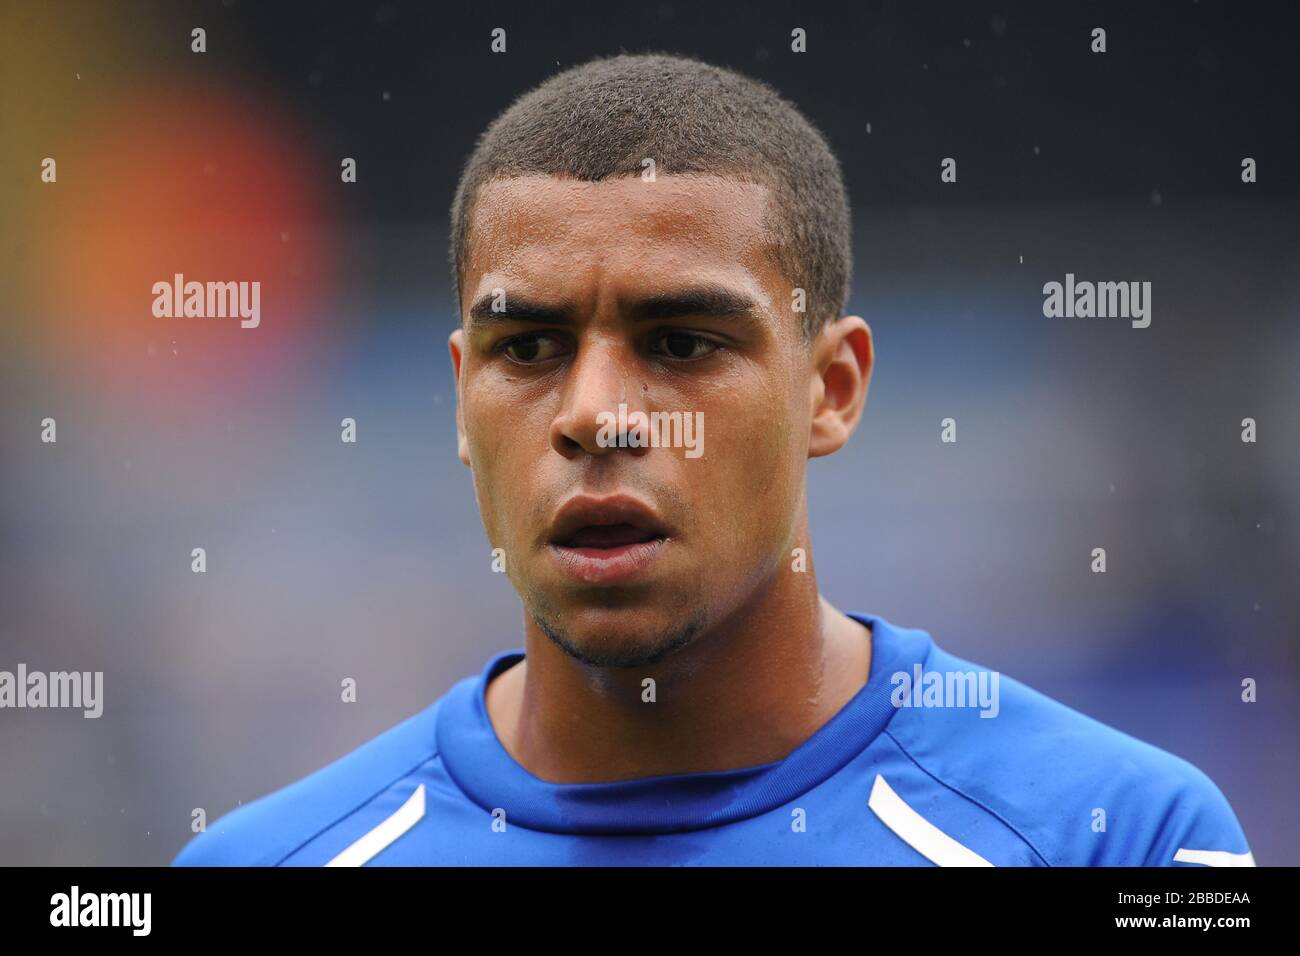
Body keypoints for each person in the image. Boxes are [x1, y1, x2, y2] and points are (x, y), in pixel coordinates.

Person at [173, 52, 1252, 867]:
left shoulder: (1132, 838)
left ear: (830, 389)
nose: (596, 416)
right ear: (462, 397)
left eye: (682, 342)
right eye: (529, 348)